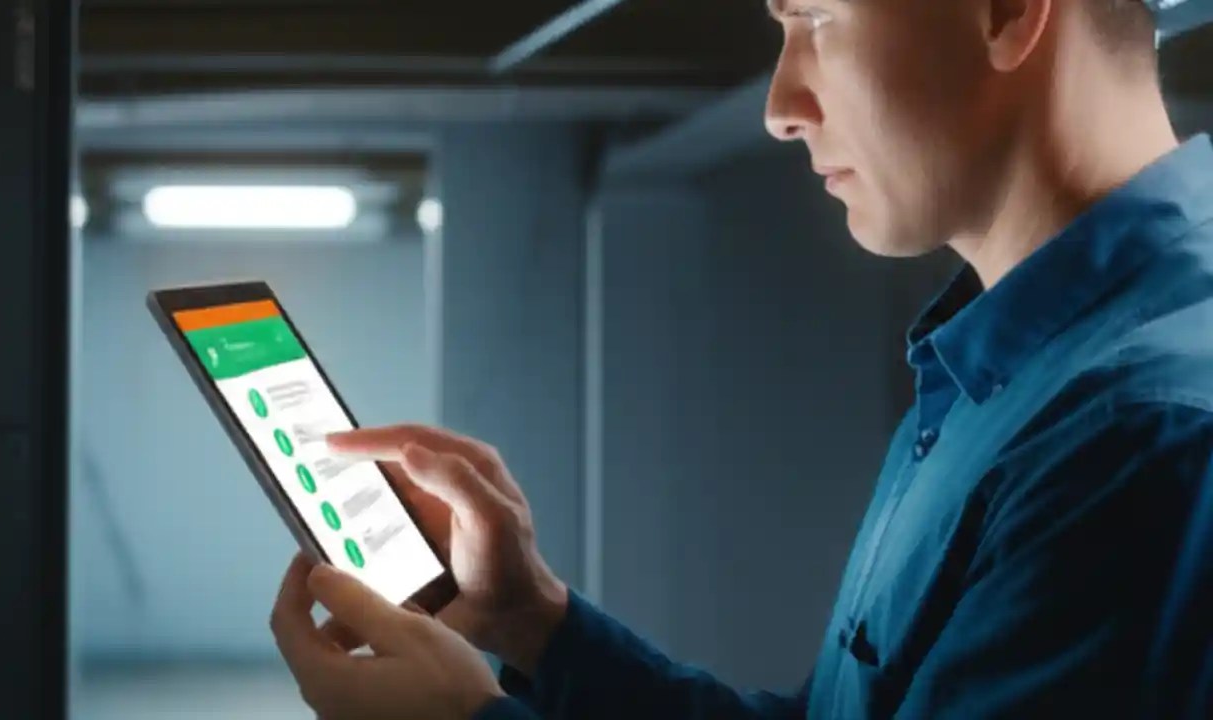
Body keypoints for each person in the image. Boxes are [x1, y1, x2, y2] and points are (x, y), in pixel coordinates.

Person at [268, 0, 1213, 717]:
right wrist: (532, 623)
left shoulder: (1138, 437)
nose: (778, 106)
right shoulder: (1002, 368)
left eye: (814, 19)